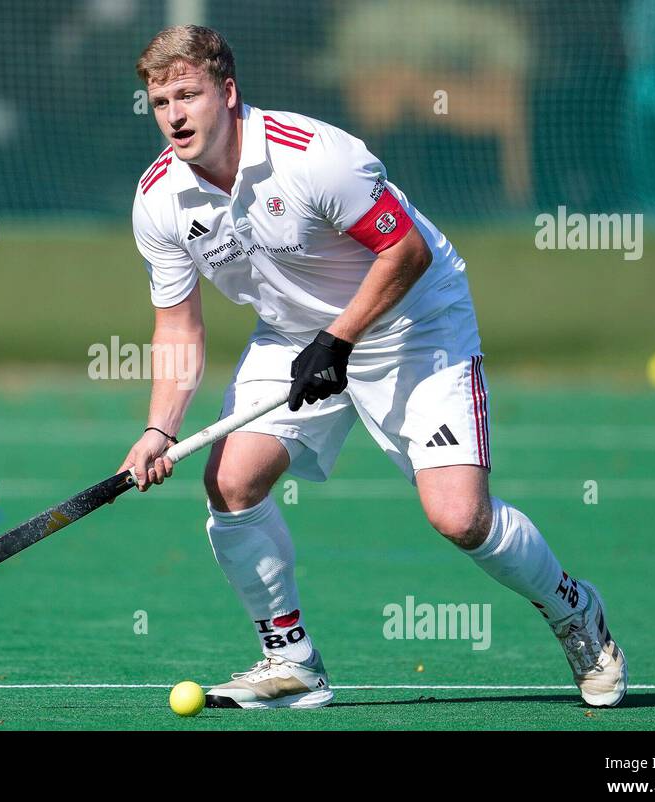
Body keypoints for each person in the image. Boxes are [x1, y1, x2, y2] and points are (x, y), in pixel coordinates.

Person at [120, 25, 627, 709]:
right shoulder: (158, 200)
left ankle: (575, 612)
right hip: (298, 335)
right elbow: (178, 324)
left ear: (228, 93)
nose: (175, 115)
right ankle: (290, 659)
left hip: (416, 322)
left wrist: (341, 339)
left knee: (459, 516)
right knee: (230, 481)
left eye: (189, 94)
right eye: (160, 101)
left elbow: (407, 251)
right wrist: (158, 428)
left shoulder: (314, 158)